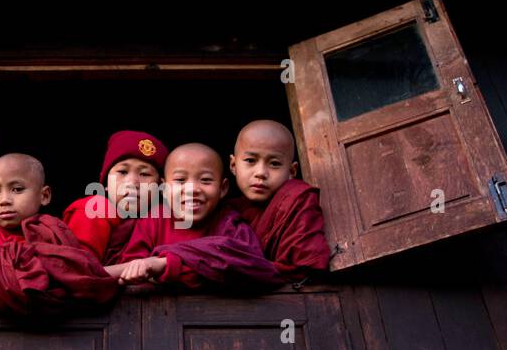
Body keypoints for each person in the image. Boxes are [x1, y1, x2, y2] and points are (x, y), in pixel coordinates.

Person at [0, 153, 119, 316]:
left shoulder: (51, 230)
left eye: (17, 189)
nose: (4, 200)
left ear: (44, 196)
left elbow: (63, 275)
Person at [111, 142, 280, 291]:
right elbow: (133, 271)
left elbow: (254, 268)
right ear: (165, 188)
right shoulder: (154, 220)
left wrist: (165, 265)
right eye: (180, 180)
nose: (192, 189)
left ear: (223, 188)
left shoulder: (230, 222)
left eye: (205, 180)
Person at [225, 119, 330, 280]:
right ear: (233, 165)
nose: (260, 172)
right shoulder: (225, 211)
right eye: (250, 161)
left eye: (274, 164)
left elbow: (307, 264)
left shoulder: (297, 200)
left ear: (292, 171)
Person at [62, 130, 168, 264]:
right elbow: (79, 271)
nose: (132, 183)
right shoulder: (95, 209)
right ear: (106, 182)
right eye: (122, 172)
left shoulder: (159, 219)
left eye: (145, 174)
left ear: (160, 186)